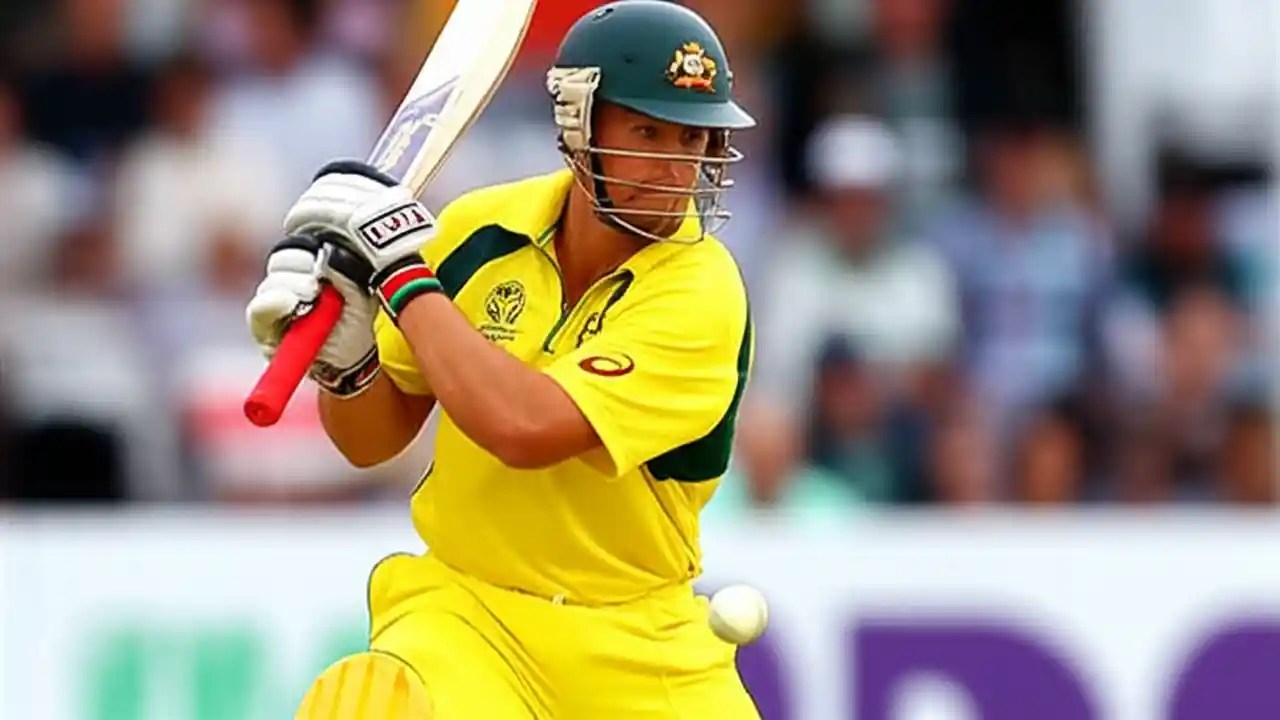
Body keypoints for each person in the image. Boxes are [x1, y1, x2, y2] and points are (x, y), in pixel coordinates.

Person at [245, 2, 760, 718]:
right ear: (579, 123)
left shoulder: (703, 288)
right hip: (466, 614)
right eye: (648, 131)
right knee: (371, 705)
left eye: (694, 137)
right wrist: (347, 361)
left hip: (634, 639)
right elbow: (370, 440)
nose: (678, 166)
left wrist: (399, 276)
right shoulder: (477, 231)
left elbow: (524, 427)